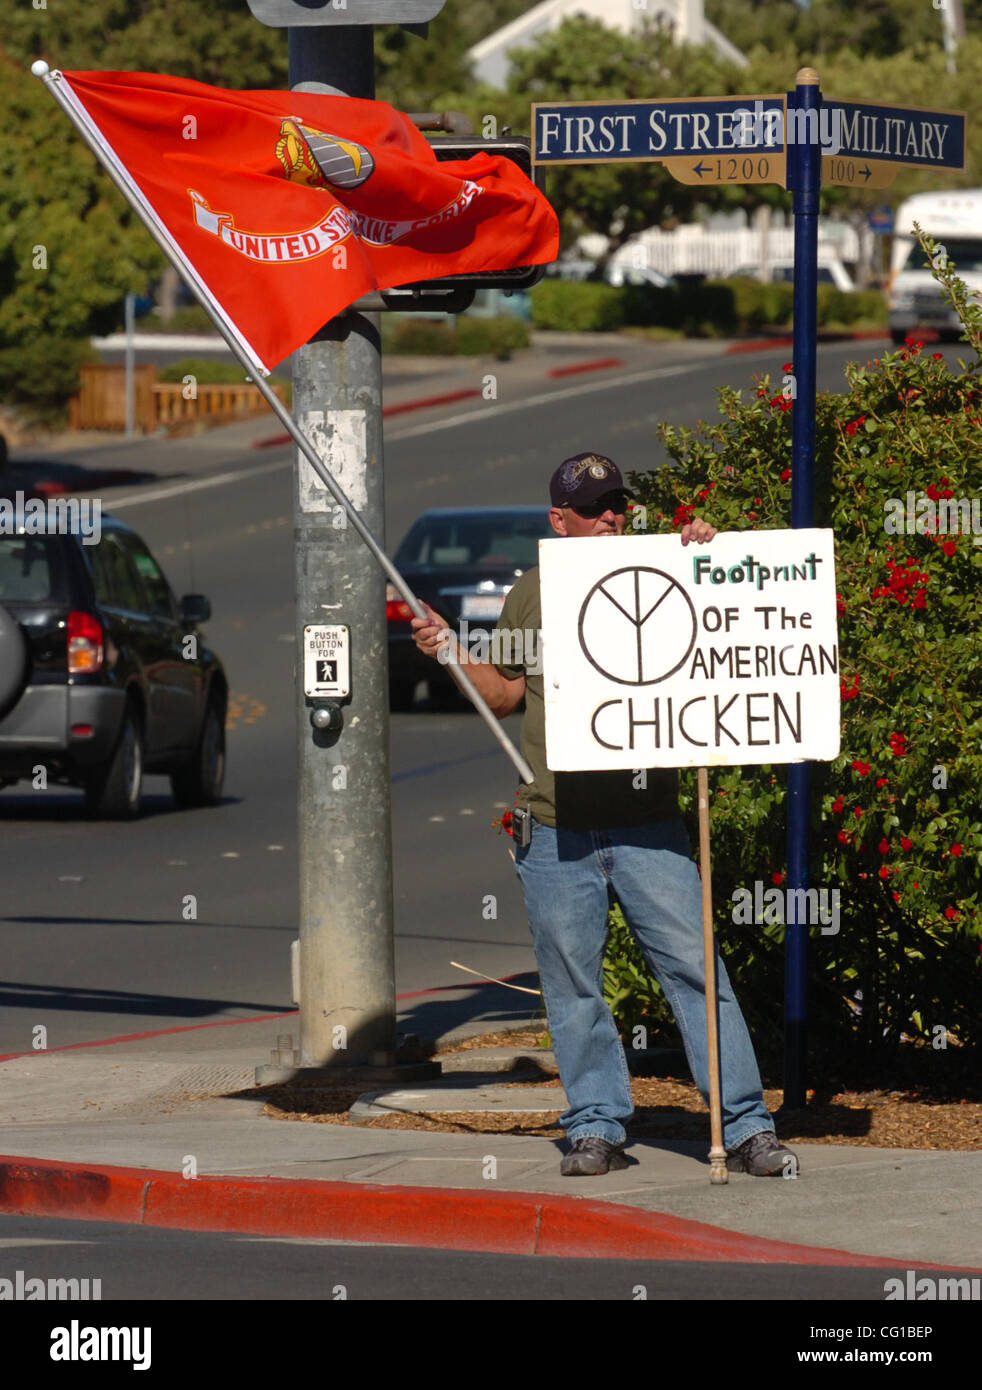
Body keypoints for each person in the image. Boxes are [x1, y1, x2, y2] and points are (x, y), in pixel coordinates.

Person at [411, 452, 799, 1179]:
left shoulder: (667, 566)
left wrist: (711, 558)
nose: (610, 517)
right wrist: (450, 651)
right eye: (592, 508)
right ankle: (595, 1125)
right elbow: (503, 695)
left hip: (648, 824)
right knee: (572, 988)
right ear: (559, 521)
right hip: (554, 825)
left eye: (617, 504)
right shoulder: (533, 593)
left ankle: (745, 1125)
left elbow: (725, 613)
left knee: (696, 973)